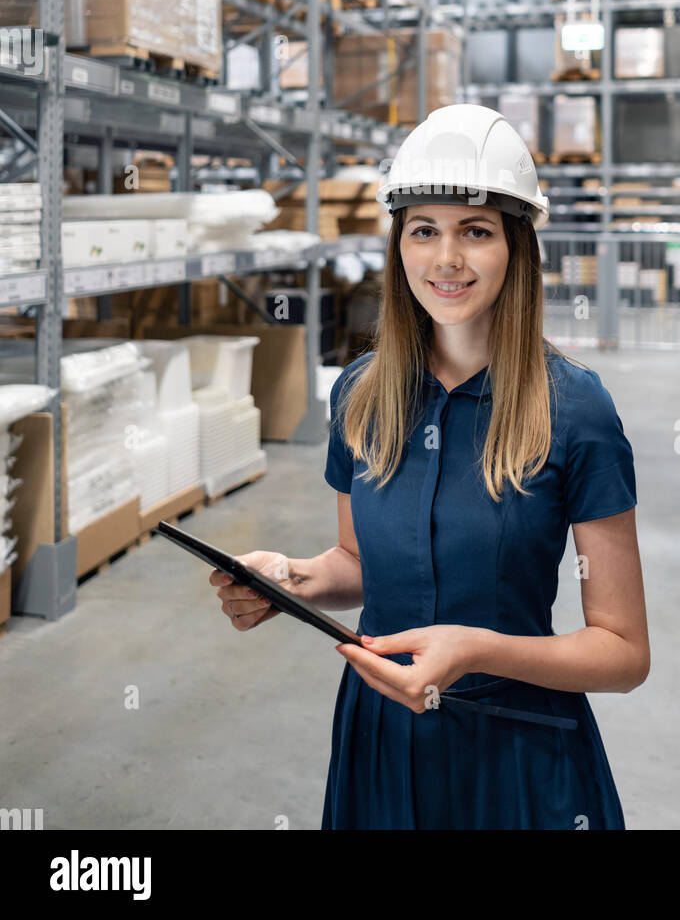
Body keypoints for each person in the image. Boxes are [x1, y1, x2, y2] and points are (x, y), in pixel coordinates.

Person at [211, 104, 650, 830]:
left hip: (515, 751)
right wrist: (287, 578)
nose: (445, 260)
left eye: (473, 232)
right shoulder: (360, 393)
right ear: (398, 246)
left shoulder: (574, 410)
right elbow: (357, 564)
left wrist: (473, 648)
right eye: (423, 231)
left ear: (515, 247)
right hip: (380, 738)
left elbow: (623, 653)